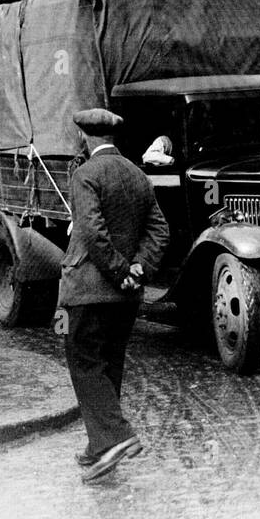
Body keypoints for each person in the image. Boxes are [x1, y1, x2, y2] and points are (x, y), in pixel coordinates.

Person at [61, 108, 171, 483]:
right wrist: (139, 268)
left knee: (84, 362)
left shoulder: (85, 175)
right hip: (126, 298)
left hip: (89, 290)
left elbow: (92, 231)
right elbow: (160, 231)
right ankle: (99, 444)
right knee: (110, 365)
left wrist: (119, 270)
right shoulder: (138, 174)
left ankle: (116, 438)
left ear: (84, 138)